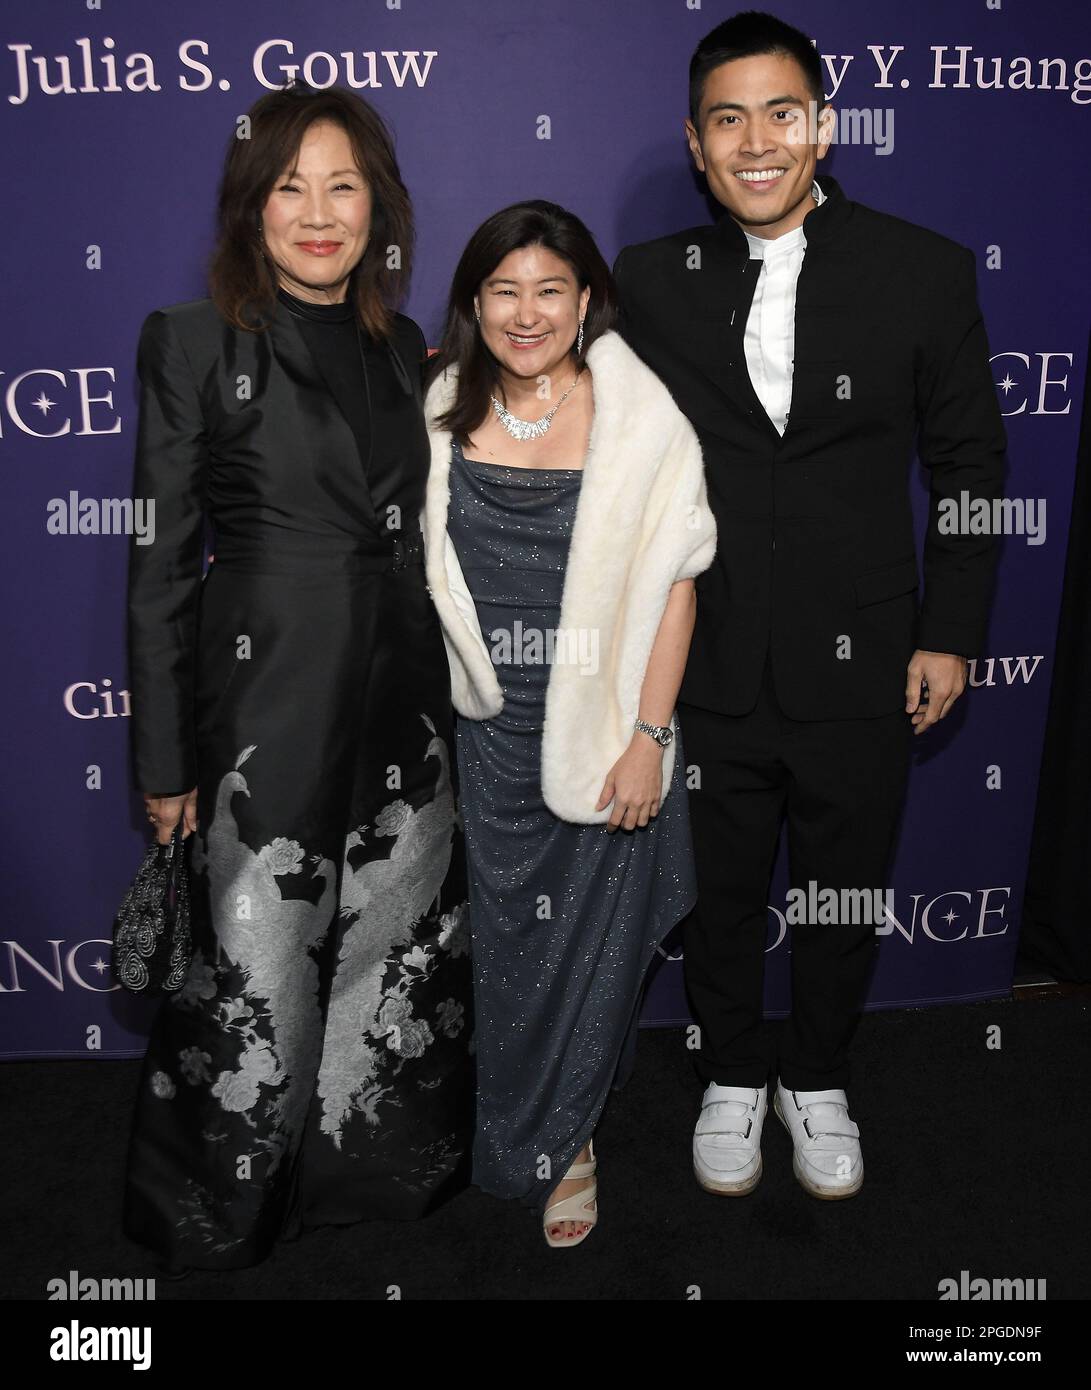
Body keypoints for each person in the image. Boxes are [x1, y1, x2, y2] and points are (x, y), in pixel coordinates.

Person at [613, 12, 1006, 1200]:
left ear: (822, 126)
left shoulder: (921, 269)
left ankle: (817, 1076)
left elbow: (971, 469)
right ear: (695, 143)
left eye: (779, 113)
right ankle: (733, 1071)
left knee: (843, 884)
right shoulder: (648, 282)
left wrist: (949, 628)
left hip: (869, 653)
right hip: (709, 652)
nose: (755, 141)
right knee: (722, 891)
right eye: (726, 119)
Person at [122, 82, 474, 1274]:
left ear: (377, 205)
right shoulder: (191, 338)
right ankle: (217, 1208)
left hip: (401, 692)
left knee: (395, 943)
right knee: (253, 961)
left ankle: (369, 1174)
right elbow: (162, 564)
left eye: (343, 185)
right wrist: (165, 757)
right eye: (290, 187)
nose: (318, 213)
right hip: (262, 697)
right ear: (250, 206)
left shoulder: (402, 346)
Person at [422, 201, 717, 1245]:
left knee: (586, 950)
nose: (526, 311)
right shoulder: (438, 406)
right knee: (502, 952)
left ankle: (568, 1143)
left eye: (550, 288)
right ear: (471, 302)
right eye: (503, 289)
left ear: (585, 298)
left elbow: (675, 585)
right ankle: (513, 1114)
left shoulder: (641, 418)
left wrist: (649, 738)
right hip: (486, 733)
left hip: (603, 733)